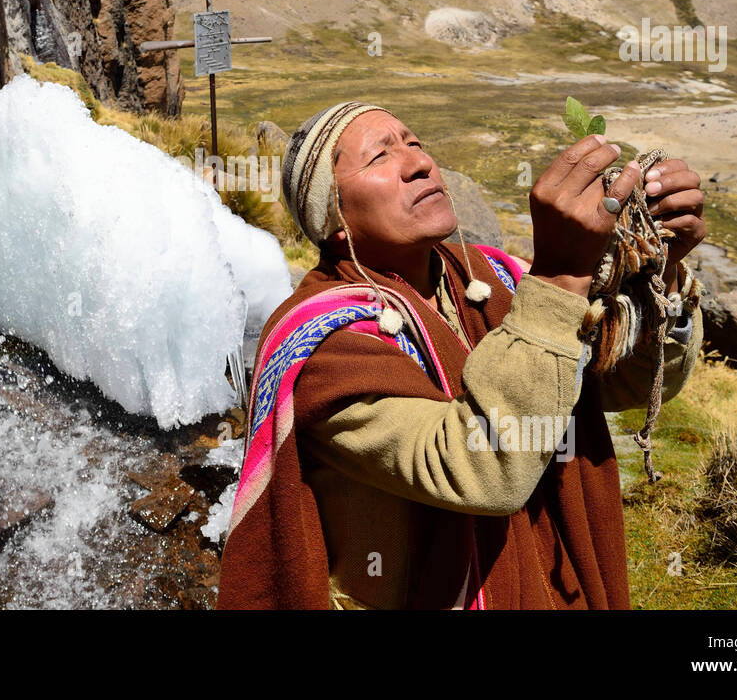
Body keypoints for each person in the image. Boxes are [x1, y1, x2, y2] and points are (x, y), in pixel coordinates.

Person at [217, 102, 705, 609]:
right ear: (334, 220)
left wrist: (662, 272)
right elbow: (481, 469)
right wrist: (560, 277)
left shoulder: (492, 278)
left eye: (413, 143)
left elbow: (616, 383)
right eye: (379, 156)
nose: (418, 163)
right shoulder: (323, 346)